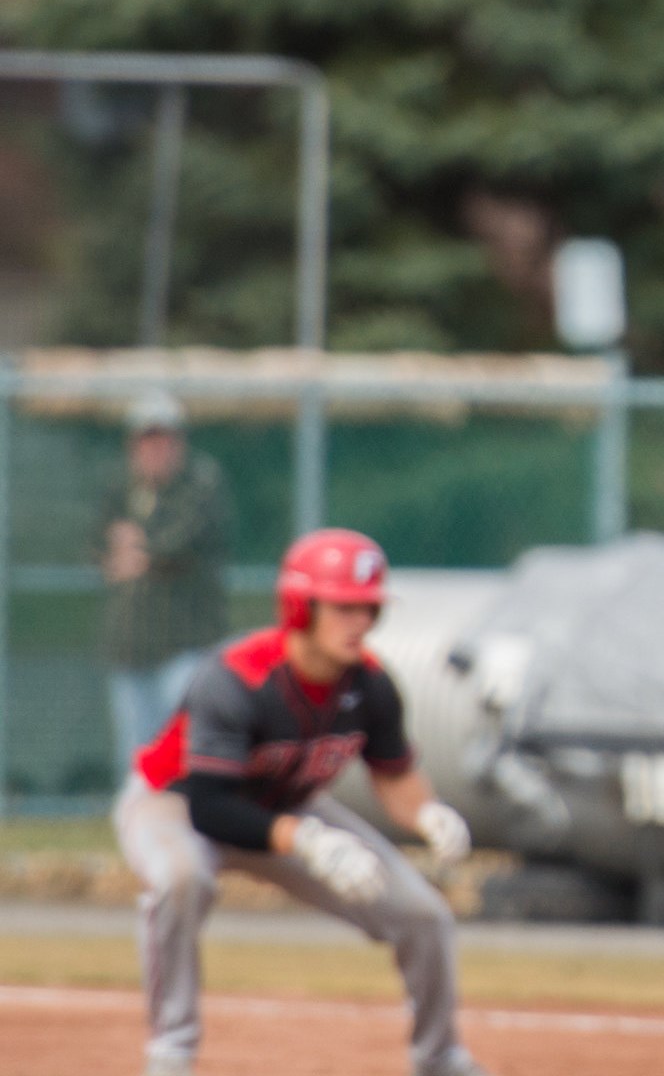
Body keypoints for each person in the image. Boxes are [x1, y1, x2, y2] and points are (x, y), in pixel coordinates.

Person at [113, 529, 487, 1076]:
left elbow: (394, 775)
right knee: (181, 879)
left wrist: (428, 814)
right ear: (299, 606)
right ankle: (171, 1050)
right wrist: (308, 841)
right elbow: (211, 809)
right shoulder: (237, 677)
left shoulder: (372, 684)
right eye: (343, 608)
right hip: (175, 802)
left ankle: (441, 1057)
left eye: (369, 608)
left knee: (423, 914)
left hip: (287, 806)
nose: (360, 622)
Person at [98, 390, 234, 771]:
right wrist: (122, 551)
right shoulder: (123, 488)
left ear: (179, 443)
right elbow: (96, 541)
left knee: (186, 752)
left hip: (186, 648)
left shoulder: (201, 483)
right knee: (137, 759)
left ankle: (187, 808)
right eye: (147, 440)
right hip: (130, 648)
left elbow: (181, 541)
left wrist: (140, 549)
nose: (155, 450)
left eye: (164, 440)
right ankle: (143, 810)